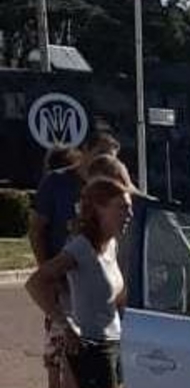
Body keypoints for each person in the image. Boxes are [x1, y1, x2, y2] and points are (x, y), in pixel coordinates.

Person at [29, 132, 120, 388]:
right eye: (101, 157)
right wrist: (48, 273)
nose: (105, 167)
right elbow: (36, 229)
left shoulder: (105, 190)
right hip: (62, 286)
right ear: (85, 150)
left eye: (111, 161)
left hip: (93, 289)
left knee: (86, 363)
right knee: (57, 358)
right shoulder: (56, 183)